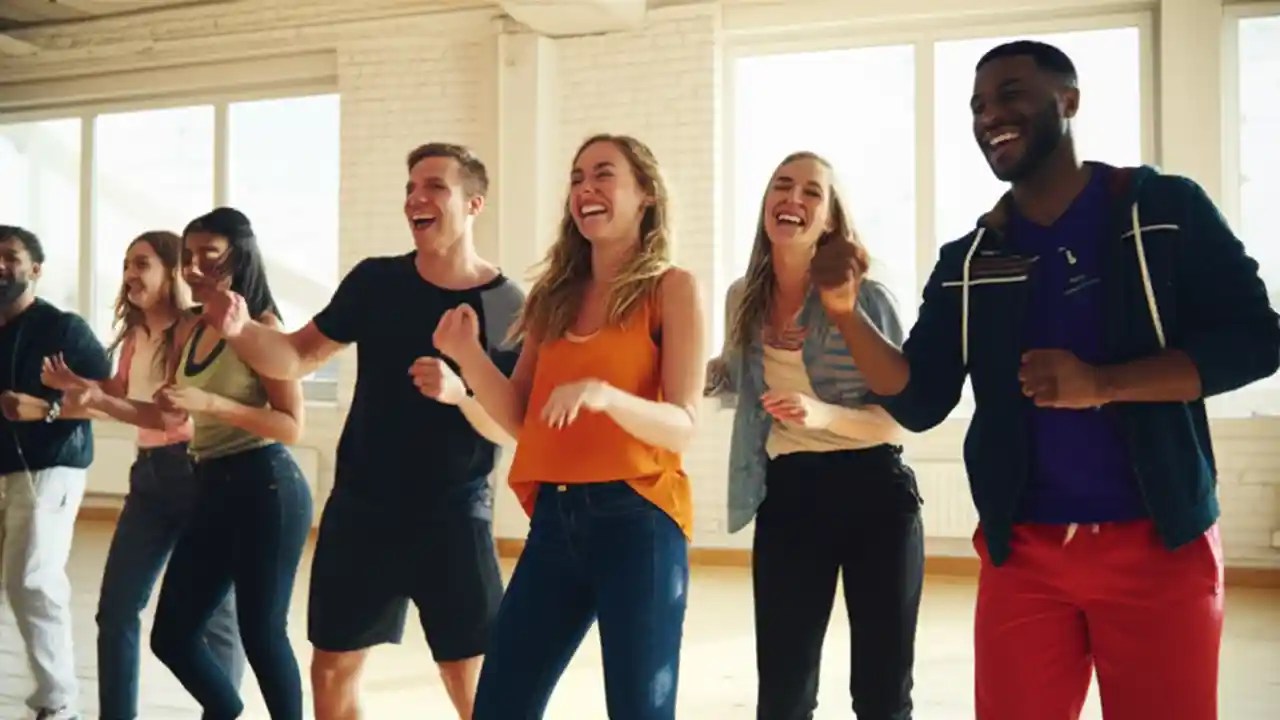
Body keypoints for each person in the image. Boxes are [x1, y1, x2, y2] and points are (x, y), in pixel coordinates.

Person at [822, 40, 1280, 720]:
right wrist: (845, 312)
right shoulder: (971, 259)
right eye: (977, 105)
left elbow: (1256, 342)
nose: (989, 115)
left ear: (1069, 102)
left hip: (1161, 545)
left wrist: (1104, 383)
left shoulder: (1163, 210)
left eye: (1010, 93)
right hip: (1025, 555)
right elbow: (919, 400)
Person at [197, 143, 522, 720]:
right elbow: (295, 358)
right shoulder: (375, 282)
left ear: (474, 203)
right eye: (410, 188)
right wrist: (243, 331)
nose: (416, 198)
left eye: (434, 187)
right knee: (333, 667)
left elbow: (508, 423)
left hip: (452, 513)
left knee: (469, 676)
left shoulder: (505, 303)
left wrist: (460, 391)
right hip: (362, 509)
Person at [432, 133, 705, 720]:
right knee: (500, 707)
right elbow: (524, 421)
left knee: (639, 711)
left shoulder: (672, 288)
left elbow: (682, 426)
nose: (586, 189)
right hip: (556, 524)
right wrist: (470, 357)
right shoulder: (553, 297)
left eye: (604, 175)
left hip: (639, 522)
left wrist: (606, 397)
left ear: (646, 194)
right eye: (578, 178)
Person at [46, 208, 314, 719]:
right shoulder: (193, 330)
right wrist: (93, 397)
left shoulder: (264, 327)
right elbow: (161, 411)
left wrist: (215, 407)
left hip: (267, 486)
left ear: (239, 256)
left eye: (206, 255)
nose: (193, 267)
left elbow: (290, 425)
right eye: (187, 256)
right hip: (210, 484)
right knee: (172, 635)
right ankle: (225, 710)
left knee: (260, 632)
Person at [706, 152, 921, 720]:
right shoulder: (742, 299)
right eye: (782, 185)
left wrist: (821, 414)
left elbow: (902, 417)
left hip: (875, 490)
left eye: (811, 192)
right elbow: (741, 377)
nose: (793, 199)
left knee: (881, 690)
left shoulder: (867, 297)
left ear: (829, 219)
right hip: (790, 494)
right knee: (783, 690)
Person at [73, 231, 246, 720]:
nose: (130, 273)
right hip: (148, 478)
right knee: (116, 611)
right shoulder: (134, 336)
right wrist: (77, 390)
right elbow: (120, 391)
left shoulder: (195, 332)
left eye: (142, 263)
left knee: (215, 617)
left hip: (196, 474)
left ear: (172, 272)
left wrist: (101, 401)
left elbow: (168, 418)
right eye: (127, 263)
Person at [0, 225, 111, 720]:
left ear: (36, 269)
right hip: (6, 472)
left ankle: (57, 698)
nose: (0, 266)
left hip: (49, 469)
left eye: (10, 257)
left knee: (32, 581)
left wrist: (43, 409)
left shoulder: (63, 328)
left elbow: (111, 401)